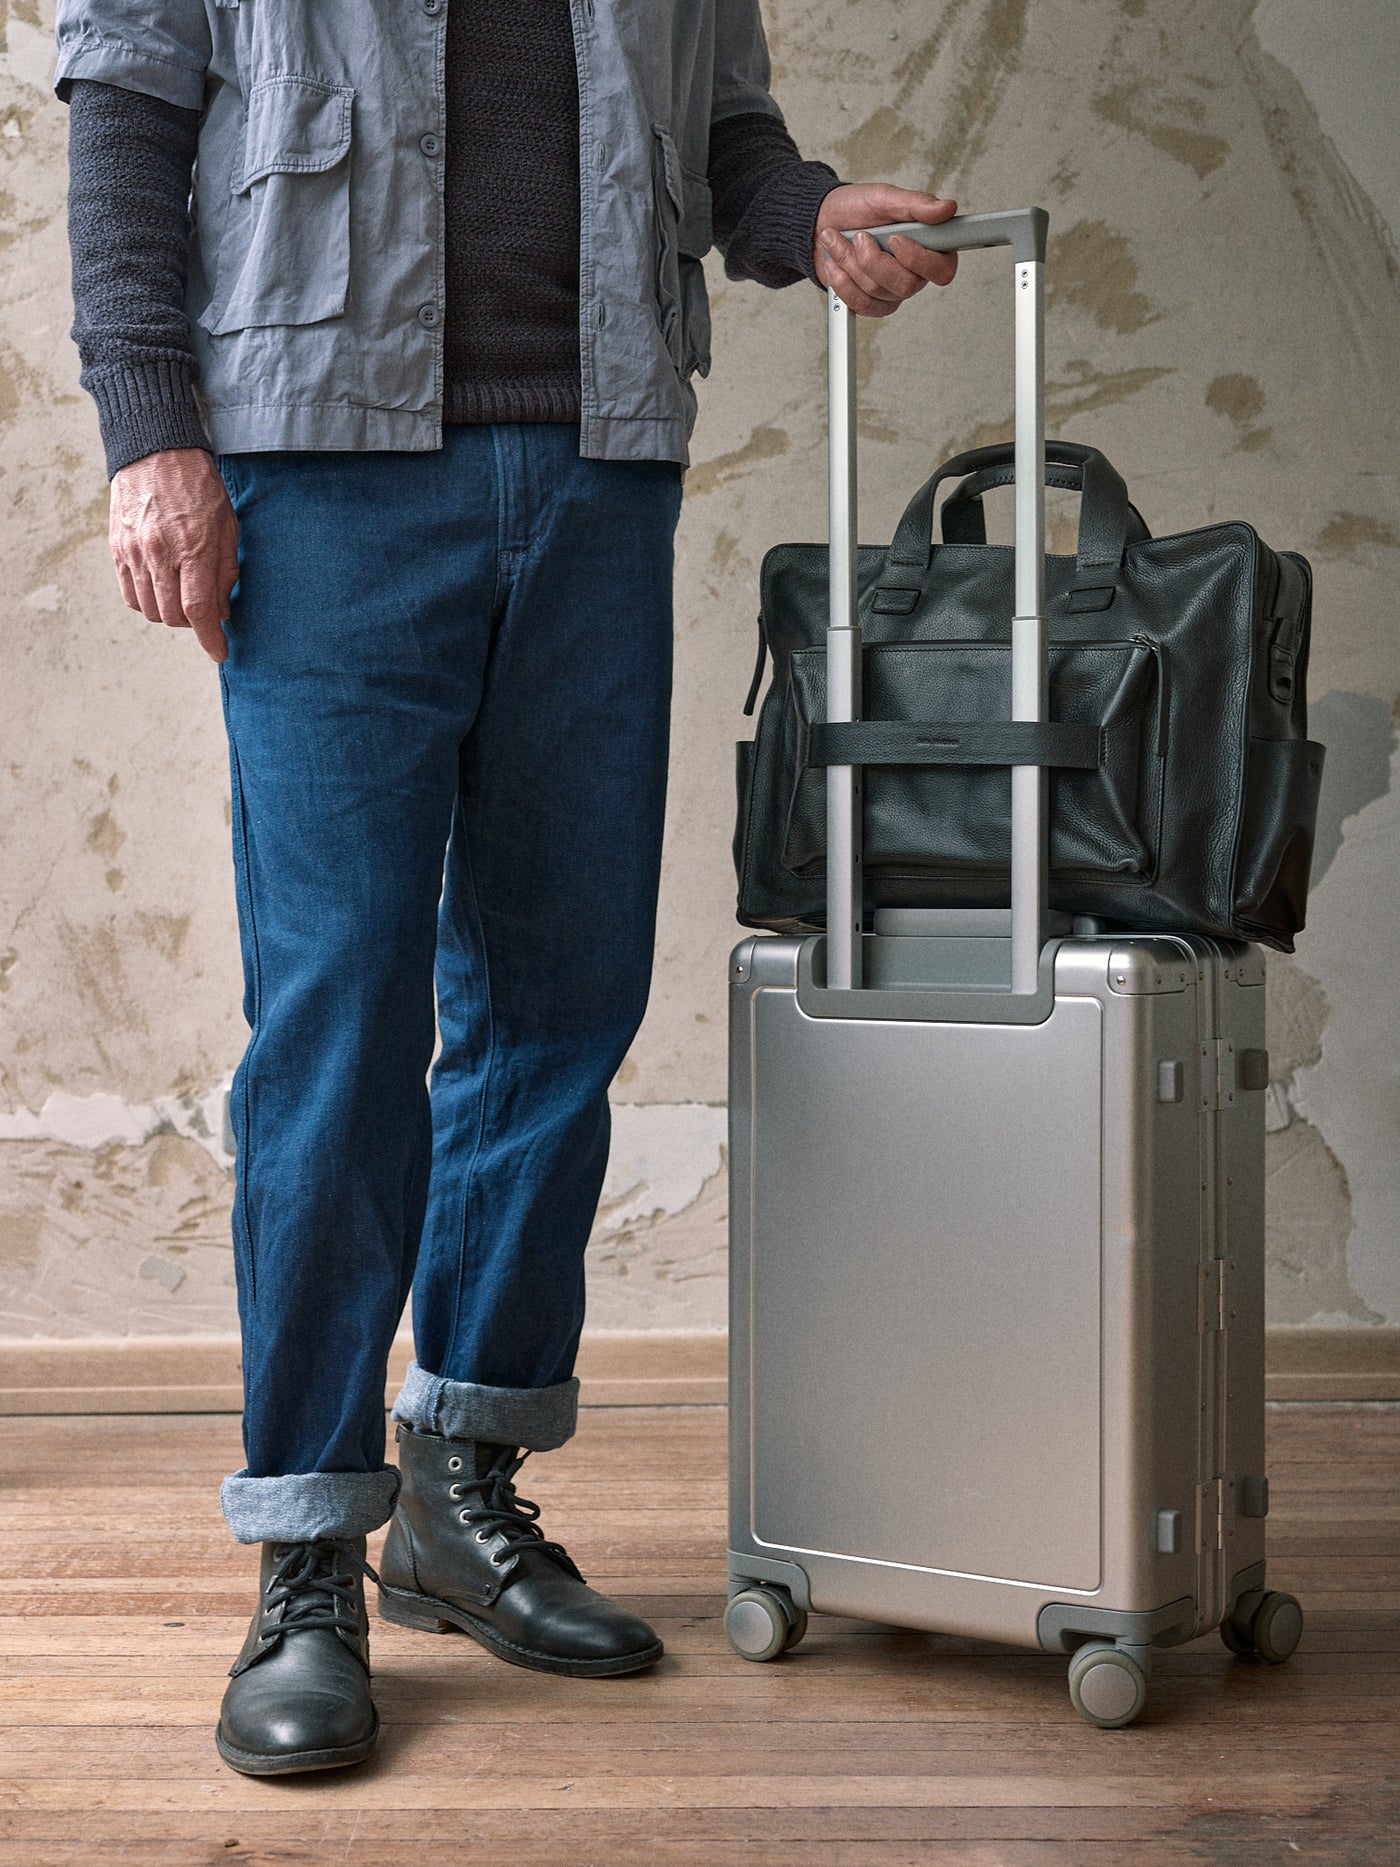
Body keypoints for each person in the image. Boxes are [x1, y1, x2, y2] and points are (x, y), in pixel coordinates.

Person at [56, 0, 957, 1778]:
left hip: (600, 471)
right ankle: (307, 1549)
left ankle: (460, 1495)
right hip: (322, 475)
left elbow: (725, 137)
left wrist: (805, 215)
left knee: (560, 1000)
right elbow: (128, 126)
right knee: (340, 1018)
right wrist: (152, 437)